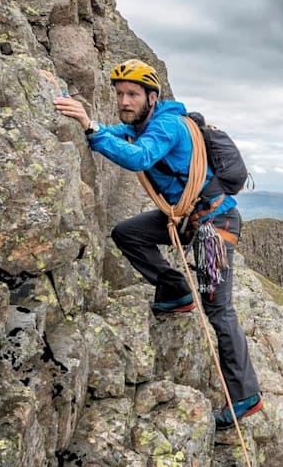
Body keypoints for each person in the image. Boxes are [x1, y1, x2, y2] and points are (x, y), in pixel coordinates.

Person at [53, 59, 262, 428]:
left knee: (219, 311)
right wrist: (66, 101)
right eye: (119, 94)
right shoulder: (143, 124)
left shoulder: (165, 126)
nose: (124, 101)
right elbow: (115, 133)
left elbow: (139, 157)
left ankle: (245, 394)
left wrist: (89, 126)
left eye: (132, 94)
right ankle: (176, 290)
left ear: (152, 97)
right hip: (186, 219)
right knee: (127, 233)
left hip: (213, 224)